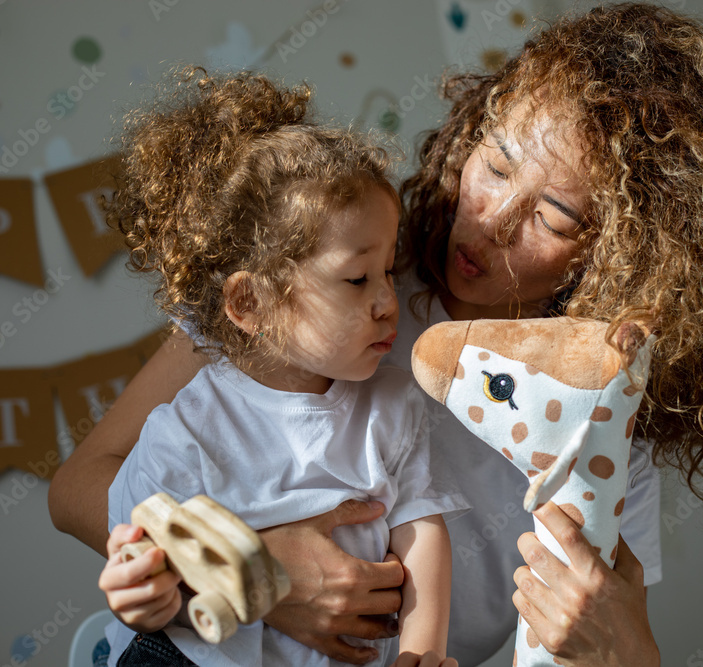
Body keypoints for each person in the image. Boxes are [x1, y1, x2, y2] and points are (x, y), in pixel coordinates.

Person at [51, 5, 703, 667]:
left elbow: (615, 649)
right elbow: (82, 484)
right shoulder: (324, 281)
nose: (490, 220)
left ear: (621, 251)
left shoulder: (595, 429)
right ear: (474, 129)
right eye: (498, 164)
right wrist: (258, 573)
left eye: (554, 215)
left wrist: (625, 646)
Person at [95, 68, 465, 667]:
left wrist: (422, 653)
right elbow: (157, 581)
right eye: (356, 279)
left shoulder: (392, 405)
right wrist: (142, 595)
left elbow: (420, 531)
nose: (385, 301)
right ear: (250, 304)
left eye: (388, 273)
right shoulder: (185, 437)